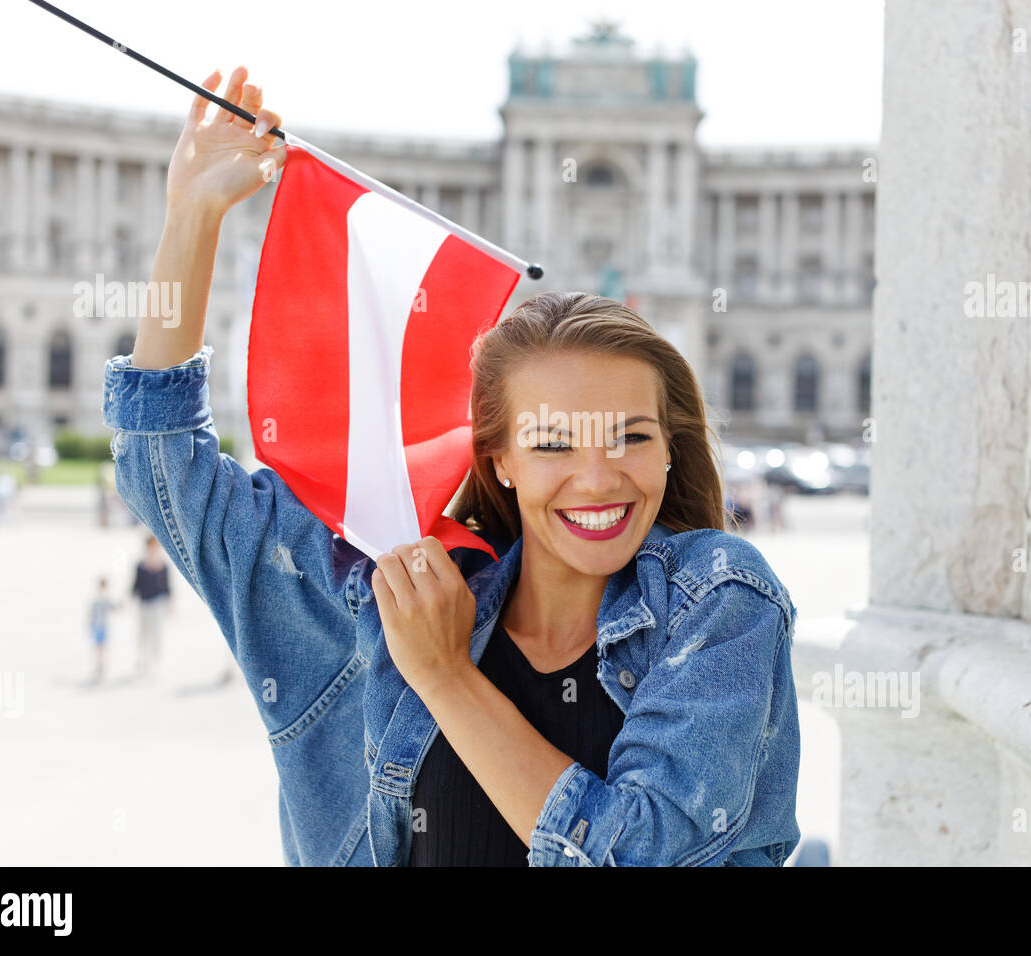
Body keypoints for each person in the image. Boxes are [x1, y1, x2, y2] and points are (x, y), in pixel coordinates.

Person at [101, 65, 801, 866]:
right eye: (553, 442)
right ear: (496, 458)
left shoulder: (715, 601)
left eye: (631, 437)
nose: (600, 477)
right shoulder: (380, 603)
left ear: (673, 448)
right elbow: (164, 465)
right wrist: (192, 215)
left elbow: (635, 856)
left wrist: (445, 677)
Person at [132, 534, 172, 678]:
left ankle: (156, 661)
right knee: (143, 633)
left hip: (157, 603)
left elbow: (167, 587)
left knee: (156, 633)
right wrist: (131, 600)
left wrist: (170, 604)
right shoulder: (141, 565)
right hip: (144, 603)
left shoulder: (163, 566)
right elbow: (135, 584)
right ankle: (143, 660)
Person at [87, 576, 121, 682]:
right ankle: (99, 665)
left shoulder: (105, 599)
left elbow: (115, 608)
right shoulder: (97, 600)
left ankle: (101, 665)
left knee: (102, 647)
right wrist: (91, 625)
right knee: (99, 647)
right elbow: (92, 614)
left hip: (104, 627)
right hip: (98, 627)